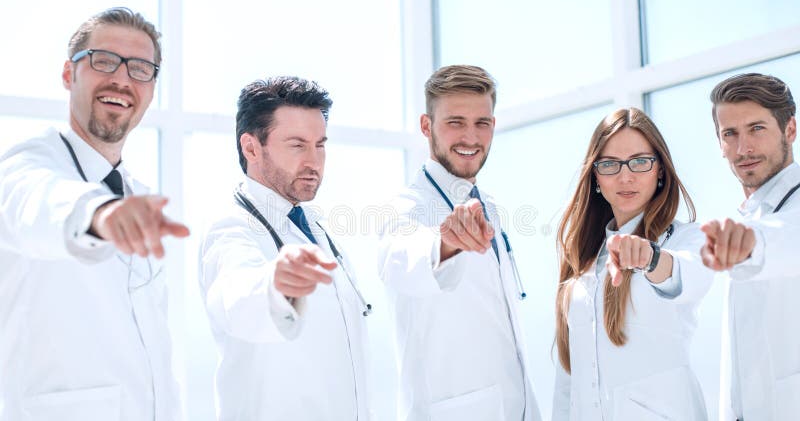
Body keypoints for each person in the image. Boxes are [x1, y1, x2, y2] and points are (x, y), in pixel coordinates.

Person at [0, 7, 189, 421]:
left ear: (152, 89)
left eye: (140, 69)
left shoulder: (139, 196)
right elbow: (39, 200)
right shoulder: (29, 163)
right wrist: (99, 216)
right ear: (69, 74)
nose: (122, 79)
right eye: (104, 61)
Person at [198, 76, 369, 420]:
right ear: (251, 148)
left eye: (320, 145)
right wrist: (275, 283)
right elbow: (236, 294)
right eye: (297, 145)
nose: (314, 161)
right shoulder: (231, 230)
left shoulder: (315, 228)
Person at [377, 65, 541, 421]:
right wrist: (444, 244)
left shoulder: (490, 207)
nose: (471, 137)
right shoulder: (406, 208)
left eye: (481, 123)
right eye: (455, 122)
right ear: (426, 126)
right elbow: (400, 258)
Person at [551, 108, 714, 420]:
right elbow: (568, 383)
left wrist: (650, 258)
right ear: (596, 176)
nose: (625, 177)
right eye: (610, 164)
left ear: (661, 170)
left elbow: (689, 274)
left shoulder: (685, 239)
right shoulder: (581, 261)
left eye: (640, 162)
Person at [700, 73, 800, 420]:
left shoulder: (777, 221)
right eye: (730, 134)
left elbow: (788, 238)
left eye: (757, 128)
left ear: (790, 130)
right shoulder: (746, 218)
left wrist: (751, 245)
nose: (743, 149)